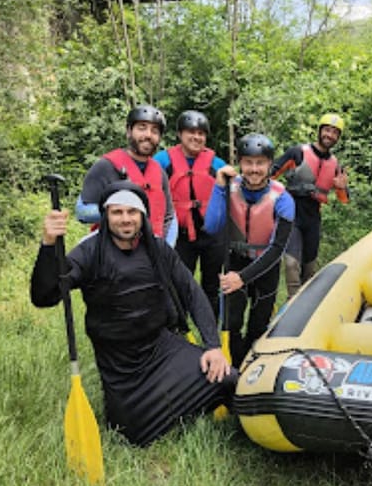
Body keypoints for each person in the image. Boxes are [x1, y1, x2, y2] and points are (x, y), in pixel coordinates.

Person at [31, 180, 236, 446]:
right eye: (117, 212)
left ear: (142, 215)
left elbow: (192, 293)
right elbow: (44, 297)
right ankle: (172, 409)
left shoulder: (158, 249)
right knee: (130, 439)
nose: (125, 219)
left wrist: (212, 345)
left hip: (162, 350)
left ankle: (244, 430)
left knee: (229, 378)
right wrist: (48, 244)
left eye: (132, 212)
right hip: (120, 367)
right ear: (106, 215)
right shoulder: (89, 252)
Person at [204, 133, 295, 367]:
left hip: (265, 268)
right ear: (240, 163)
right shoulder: (230, 188)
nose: (254, 169)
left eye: (260, 163)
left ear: (269, 165)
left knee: (258, 324)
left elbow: (277, 249)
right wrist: (219, 187)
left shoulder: (283, 199)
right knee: (231, 323)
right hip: (235, 261)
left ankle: (251, 367)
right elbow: (212, 226)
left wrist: (241, 279)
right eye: (248, 162)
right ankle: (233, 369)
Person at [153, 110, 228, 316]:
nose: (197, 137)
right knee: (179, 284)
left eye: (201, 133)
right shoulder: (163, 161)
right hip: (181, 235)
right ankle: (180, 330)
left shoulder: (217, 164)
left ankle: (211, 331)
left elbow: (236, 193)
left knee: (211, 285)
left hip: (213, 236)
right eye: (191, 132)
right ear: (180, 134)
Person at [271, 113, 349, 298]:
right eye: (327, 130)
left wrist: (341, 188)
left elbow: (344, 199)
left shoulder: (336, 164)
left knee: (309, 269)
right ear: (320, 130)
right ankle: (292, 304)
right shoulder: (297, 153)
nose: (329, 135)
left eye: (335, 133)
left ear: (338, 138)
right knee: (291, 264)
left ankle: (305, 308)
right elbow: (270, 175)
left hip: (313, 217)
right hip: (292, 214)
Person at [75, 104, 177, 246]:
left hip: (150, 254)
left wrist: (167, 251)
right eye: (142, 128)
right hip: (111, 252)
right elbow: (82, 212)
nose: (148, 135)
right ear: (129, 131)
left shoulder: (160, 173)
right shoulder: (105, 166)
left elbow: (170, 217)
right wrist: (119, 209)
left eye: (154, 131)